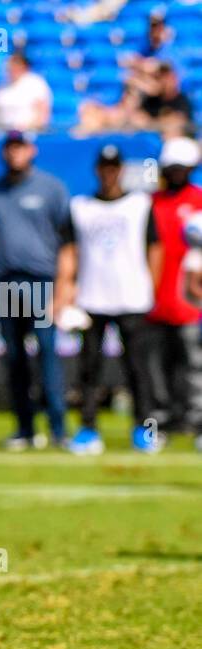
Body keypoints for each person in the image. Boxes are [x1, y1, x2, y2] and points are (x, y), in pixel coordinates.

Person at [0, 131, 74, 450]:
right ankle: (25, 428)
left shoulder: (50, 188)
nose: (14, 154)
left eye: (19, 147)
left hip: (40, 281)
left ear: (31, 150)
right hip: (7, 280)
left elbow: (67, 242)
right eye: (9, 148)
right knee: (15, 358)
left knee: (47, 354)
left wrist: (64, 287)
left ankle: (59, 428)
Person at [62, 145, 158, 454]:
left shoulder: (139, 204)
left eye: (114, 167)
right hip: (93, 296)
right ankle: (88, 429)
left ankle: (146, 430)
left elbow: (155, 248)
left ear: (120, 170)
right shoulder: (81, 206)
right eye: (104, 167)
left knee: (139, 370)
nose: (109, 172)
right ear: (97, 170)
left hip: (132, 297)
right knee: (89, 369)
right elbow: (69, 251)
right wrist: (66, 288)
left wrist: (150, 286)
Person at [144, 137, 202, 445]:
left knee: (194, 364)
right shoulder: (152, 202)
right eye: (172, 168)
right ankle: (160, 423)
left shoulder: (199, 200)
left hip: (191, 301)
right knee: (157, 367)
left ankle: (196, 421)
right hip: (156, 298)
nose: (176, 173)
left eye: (181, 168)